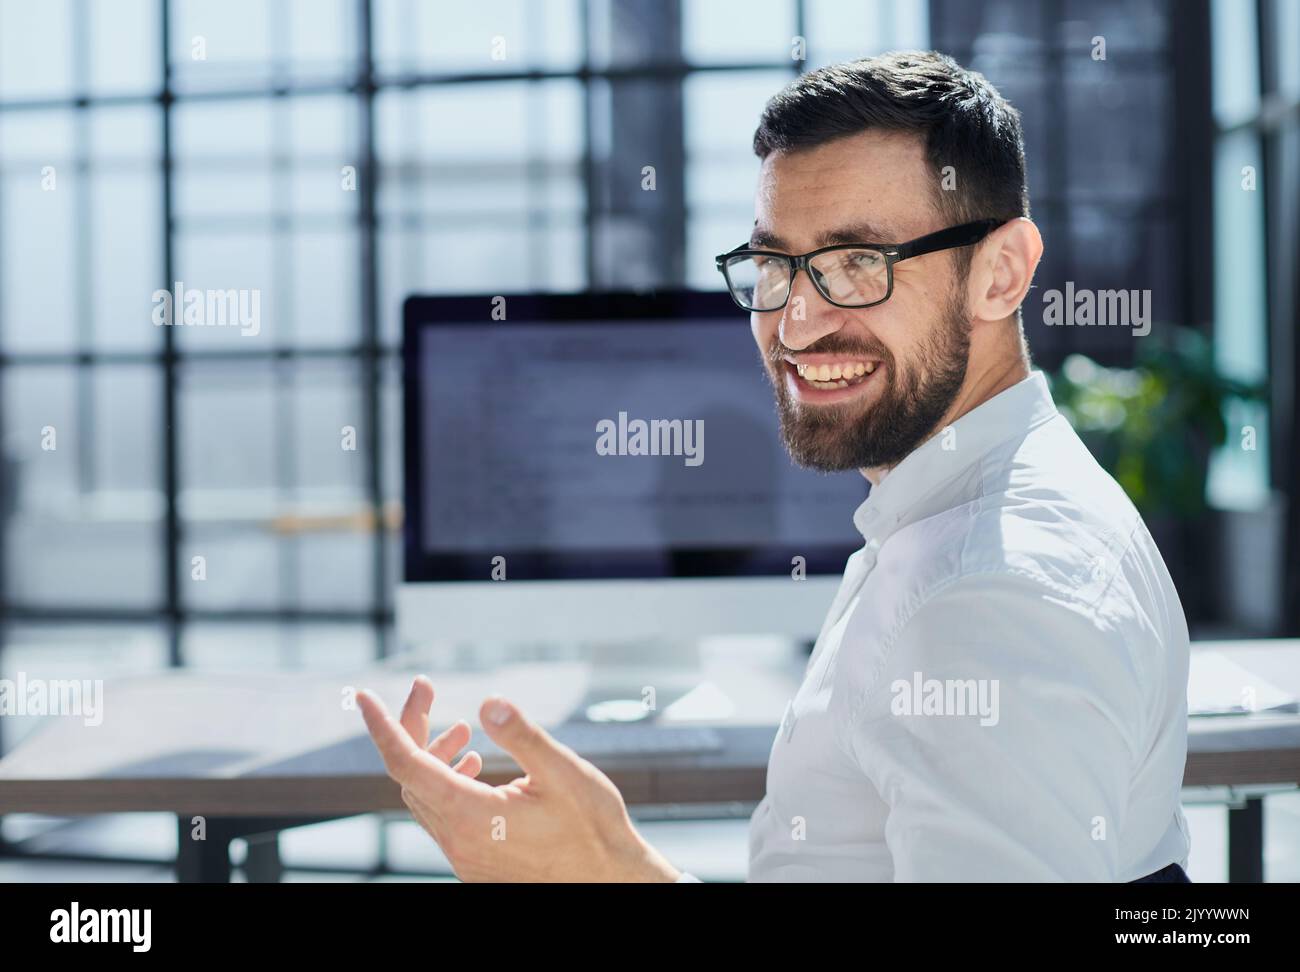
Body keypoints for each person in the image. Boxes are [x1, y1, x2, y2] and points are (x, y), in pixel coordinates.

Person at [358, 50, 1191, 882]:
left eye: (860, 262)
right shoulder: (956, 509)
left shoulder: (988, 597)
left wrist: (610, 873)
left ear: (1001, 272)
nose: (794, 325)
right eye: (775, 265)